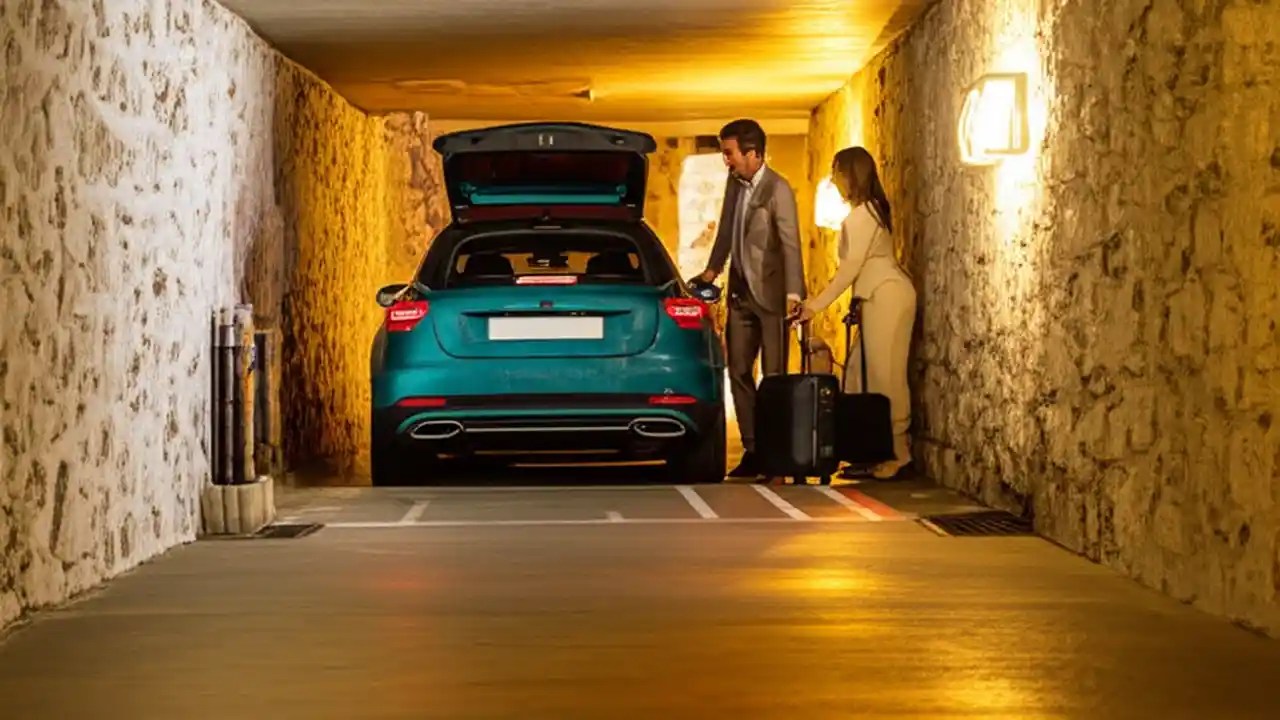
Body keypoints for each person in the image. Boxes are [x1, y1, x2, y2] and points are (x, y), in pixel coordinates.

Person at [793, 147, 916, 479]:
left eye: (837, 172)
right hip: (877, 296)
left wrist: (814, 306)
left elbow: (849, 270)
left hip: (886, 295)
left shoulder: (862, 216)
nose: (834, 179)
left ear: (851, 174)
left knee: (884, 375)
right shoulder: (872, 212)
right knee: (859, 376)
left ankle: (898, 452)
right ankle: (871, 448)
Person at [698, 119, 805, 478]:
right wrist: (712, 272)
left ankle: (776, 453)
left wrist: (794, 294)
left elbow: (791, 244)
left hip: (773, 297)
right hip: (740, 295)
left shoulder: (779, 190)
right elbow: (727, 228)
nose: (725, 160)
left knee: (774, 377)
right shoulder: (734, 183)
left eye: (729, 153)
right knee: (739, 371)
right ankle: (753, 449)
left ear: (753, 153)